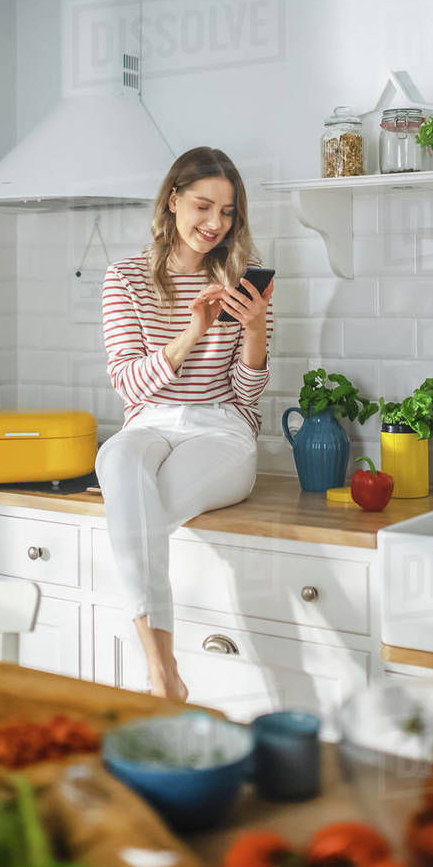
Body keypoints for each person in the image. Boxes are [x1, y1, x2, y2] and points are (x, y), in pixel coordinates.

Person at [96, 147, 273, 701]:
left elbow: (247, 395)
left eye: (227, 213)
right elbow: (129, 387)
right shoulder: (124, 278)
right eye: (203, 205)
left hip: (221, 429)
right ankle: (164, 670)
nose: (214, 224)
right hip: (148, 423)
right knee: (117, 457)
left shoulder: (243, 282)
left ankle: (157, 672)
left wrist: (255, 331)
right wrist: (191, 332)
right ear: (173, 200)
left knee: (131, 516)